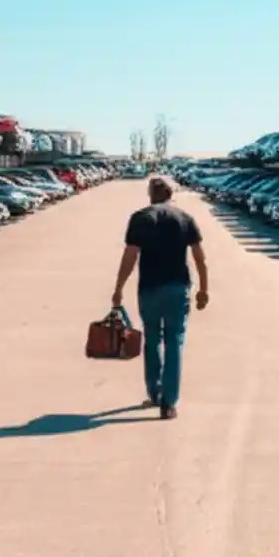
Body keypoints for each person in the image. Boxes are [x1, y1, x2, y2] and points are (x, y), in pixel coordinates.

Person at [111, 177, 209, 420]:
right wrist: (203, 289)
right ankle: (169, 403)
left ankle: (154, 392)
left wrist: (119, 288)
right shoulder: (185, 218)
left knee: (152, 339)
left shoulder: (141, 218)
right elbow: (199, 257)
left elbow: (130, 256)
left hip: (149, 289)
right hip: (178, 288)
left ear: (151, 195)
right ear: (169, 194)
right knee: (175, 341)